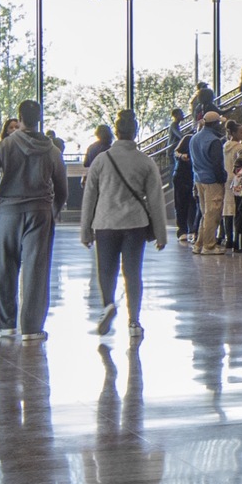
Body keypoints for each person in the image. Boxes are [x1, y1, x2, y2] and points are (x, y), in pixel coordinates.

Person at [0, 100, 67, 341]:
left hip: (7, 213)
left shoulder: (5, 145)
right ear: (39, 118)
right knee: (37, 271)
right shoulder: (53, 150)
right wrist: (52, 211)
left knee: (5, 268)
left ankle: (5, 325)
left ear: (20, 117)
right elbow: (62, 188)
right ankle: (32, 328)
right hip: (39, 212)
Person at [78, 109, 167, 338]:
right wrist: (161, 233)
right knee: (133, 273)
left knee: (106, 270)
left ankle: (108, 305)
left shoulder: (101, 160)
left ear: (116, 132)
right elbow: (156, 199)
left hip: (105, 223)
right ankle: (134, 321)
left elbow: (89, 196)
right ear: (135, 132)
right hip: (135, 224)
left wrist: (85, 230)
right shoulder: (145, 161)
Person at [189, 112, 228, 254]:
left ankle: (199, 243)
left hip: (198, 179)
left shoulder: (194, 138)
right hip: (213, 181)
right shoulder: (214, 141)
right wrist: (222, 178)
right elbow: (217, 164)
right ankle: (209, 245)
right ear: (216, 124)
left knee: (205, 213)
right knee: (213, 213)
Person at [221, 120, 242, 251]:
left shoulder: (225, 145)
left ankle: (228, 238)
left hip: (226, 178)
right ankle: (237, 240)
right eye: (241, 132)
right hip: (236, 179)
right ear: (233, 133)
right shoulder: (239, 148)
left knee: (227, 208)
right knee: (237, 209)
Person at [170, 118, 195, 241]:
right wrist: (182, 156)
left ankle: (192, 230)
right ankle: (182, 230)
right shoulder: (188, 138)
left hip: (193, 175)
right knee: (181, 203)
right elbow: (176, 152)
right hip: (181, 175)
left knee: (193, 203)